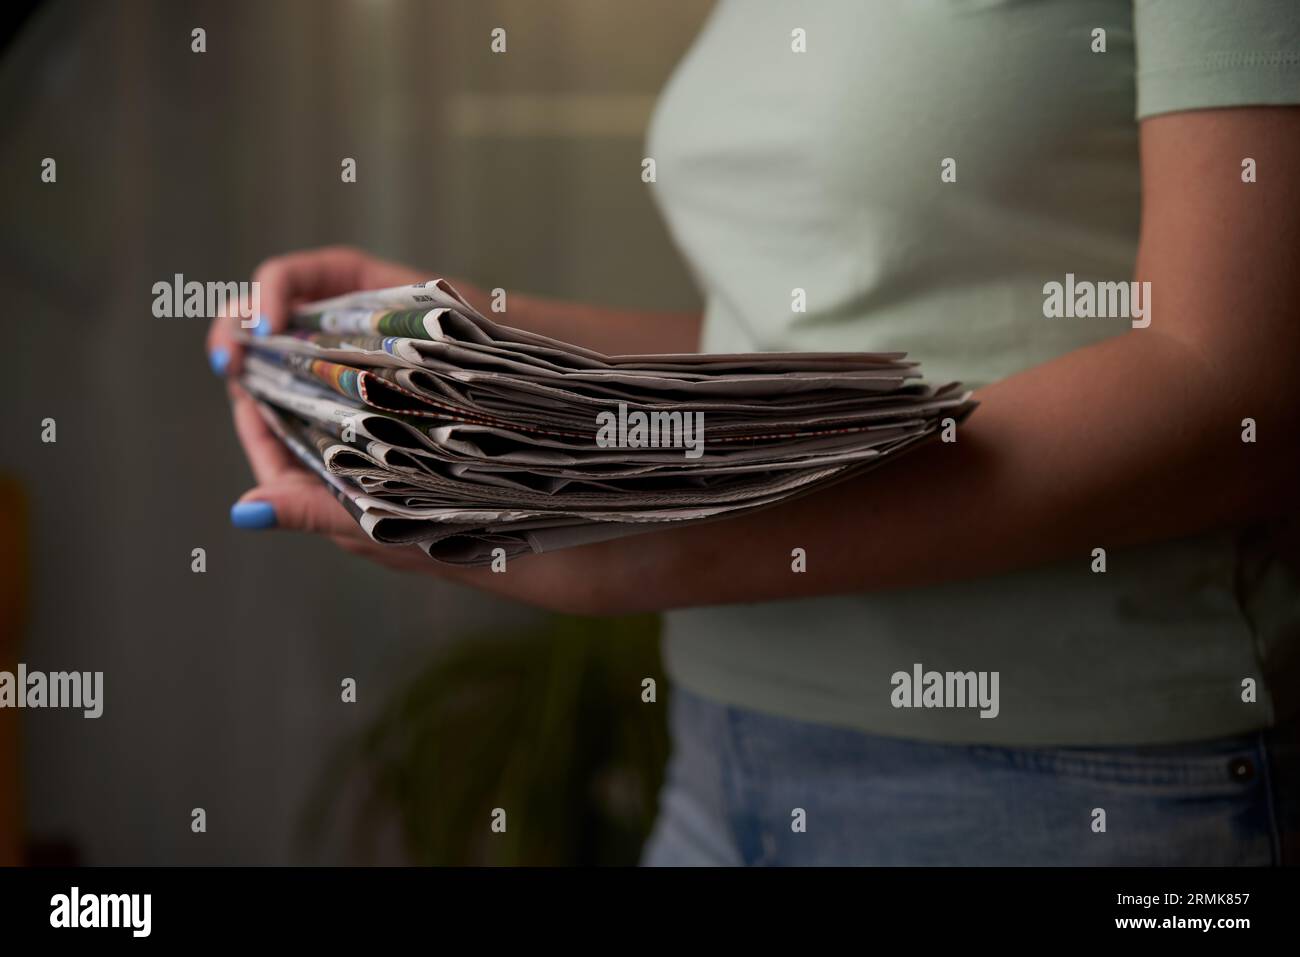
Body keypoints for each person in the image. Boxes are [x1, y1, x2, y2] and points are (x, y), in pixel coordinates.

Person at [207, 0, 1300, 865]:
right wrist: (474, 341)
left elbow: (1236, 393)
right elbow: (807, 341)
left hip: (1074, 784)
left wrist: (631, 552)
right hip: (722, 749)